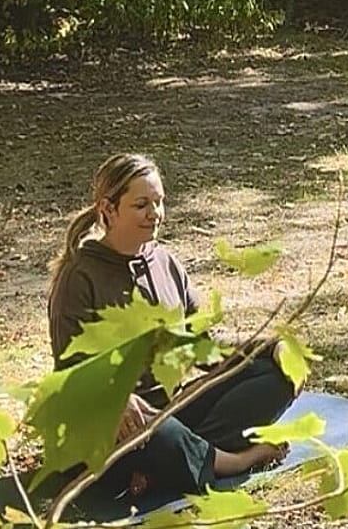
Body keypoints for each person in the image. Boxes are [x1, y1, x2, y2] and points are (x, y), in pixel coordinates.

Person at [47, 153, 297, 499]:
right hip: (105, 426)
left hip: (169, 411)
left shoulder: (165, 263)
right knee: (158, 434)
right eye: (141, 205)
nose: (155, 214)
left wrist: (271, 347)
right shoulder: (79, 277)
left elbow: (205, 346)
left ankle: (172, 465)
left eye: (159, 203)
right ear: (108, 208)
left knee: (273, 375)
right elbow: (69, 371)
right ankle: (238, 460)